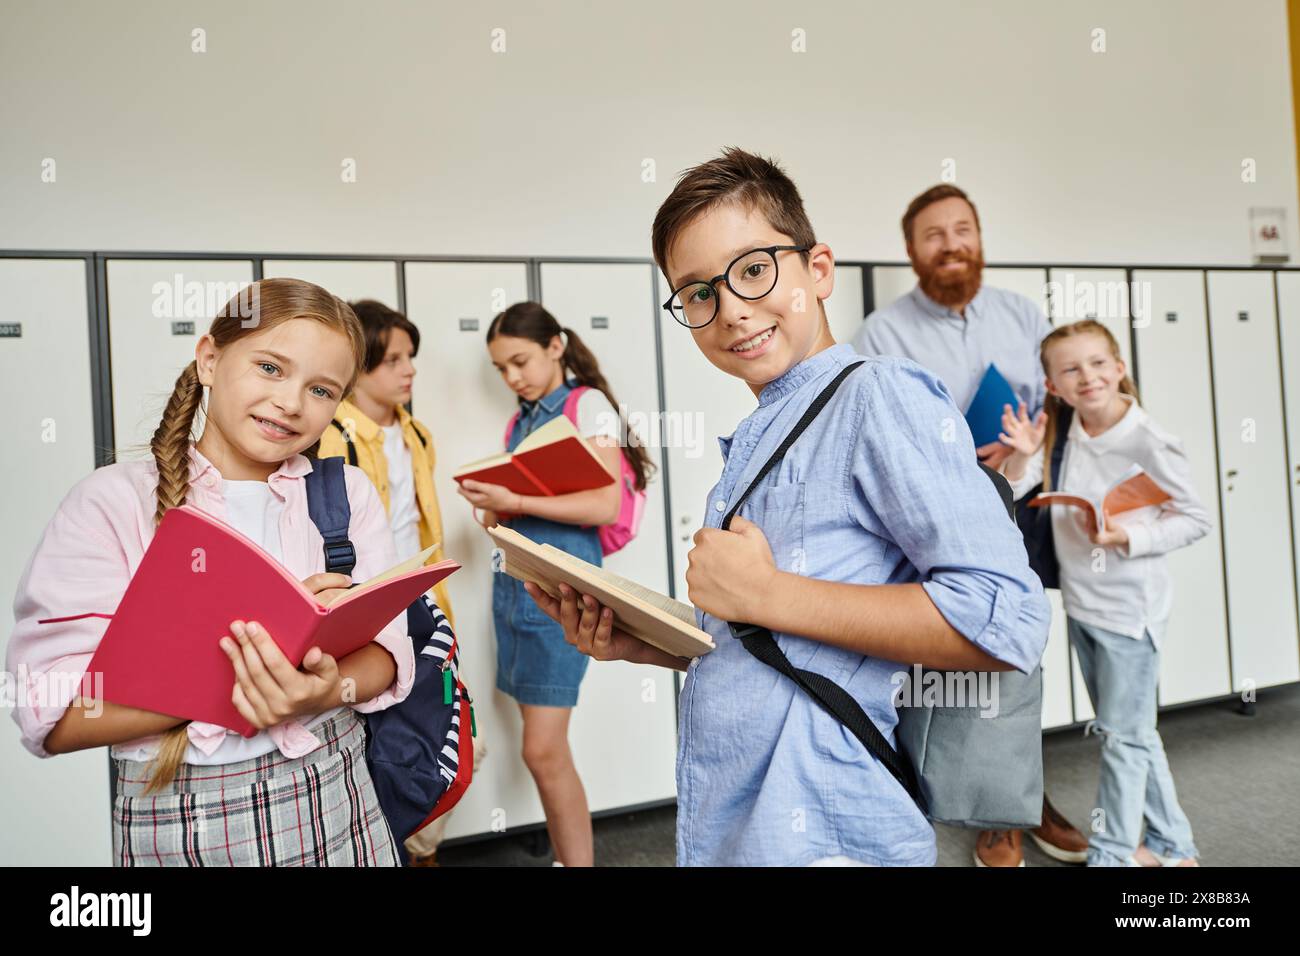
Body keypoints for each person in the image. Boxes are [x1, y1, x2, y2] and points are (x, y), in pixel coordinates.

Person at [526, 148, 1050, 866]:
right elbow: (796, 647)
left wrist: (770, 592)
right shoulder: (763, 431)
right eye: (700, 292)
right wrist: (648, 642)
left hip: (832, 828)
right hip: (748, 829)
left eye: (754, 269)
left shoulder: (879, 395)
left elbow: (1007, 621)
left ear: (820, 270)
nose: (733, 309)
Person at [7, 278, 412, 866]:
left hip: (341, 797)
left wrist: (322, 690)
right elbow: (57, 713)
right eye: (270, 367)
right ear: (210, 359)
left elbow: (387, 653)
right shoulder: (111, 503)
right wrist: (246, 677)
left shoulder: (346, 494)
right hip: (181, 816)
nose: (292, 402)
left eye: (321, 389)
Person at [853, 183, 1088, 866]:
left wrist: (1031, 438)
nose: (951, 244)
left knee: (1018, 661)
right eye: (934, 234)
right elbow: (876, 435)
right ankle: (951, 798)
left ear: (979, 239)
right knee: (943, 660)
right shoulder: (881, 334)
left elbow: (1056, 409)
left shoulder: (1023, 315)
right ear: (911, 251)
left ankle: (1012, 807)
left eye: (963, 229)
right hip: (936, 519)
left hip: (1020, 507)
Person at [999, 319, 1206, 867]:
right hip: (1083, 604)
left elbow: (1195, 519)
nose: (1086, 376)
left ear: (1119, 368)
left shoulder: (1149, 440)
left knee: (1121, 737)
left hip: (1130, 611)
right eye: (1070, 369)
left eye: (1096, 363)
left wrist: (1129, 536)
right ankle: (1174, 847)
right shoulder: (1062, 430)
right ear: (1054, 385)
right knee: (1133, 734)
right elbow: (1020, 490)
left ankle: (1113, 854)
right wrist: (1023, 452)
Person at [455, 301, 653, 867]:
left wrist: (512, 499)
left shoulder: (585, 404)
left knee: (541, 752)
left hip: (562, 591)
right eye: (500, 368)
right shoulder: (521, 419)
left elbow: (604, 501)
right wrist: (494, 513)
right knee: (544, 746)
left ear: (556, 347)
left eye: (519, 361)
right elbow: (537, 505)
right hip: (517, 589)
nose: (511, 377)